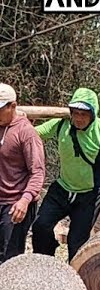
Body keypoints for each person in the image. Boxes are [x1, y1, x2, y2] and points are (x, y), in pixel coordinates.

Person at [32, 88, 100, 261]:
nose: (78, 118)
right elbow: (33, 135)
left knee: (76, 242)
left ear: (93, 114)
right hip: (62, 188)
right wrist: (21, 123)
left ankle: (74, 275)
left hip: (90, 194)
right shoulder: (61, 124)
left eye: (84, 114)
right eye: (75, 113)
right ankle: (45, 264)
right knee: (40, 226)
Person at [0, 83, 45, 262]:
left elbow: (38, 172)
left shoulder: (27, 134)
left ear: (13, 106)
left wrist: (25, 200)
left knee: (9, 258)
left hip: (15, 204)